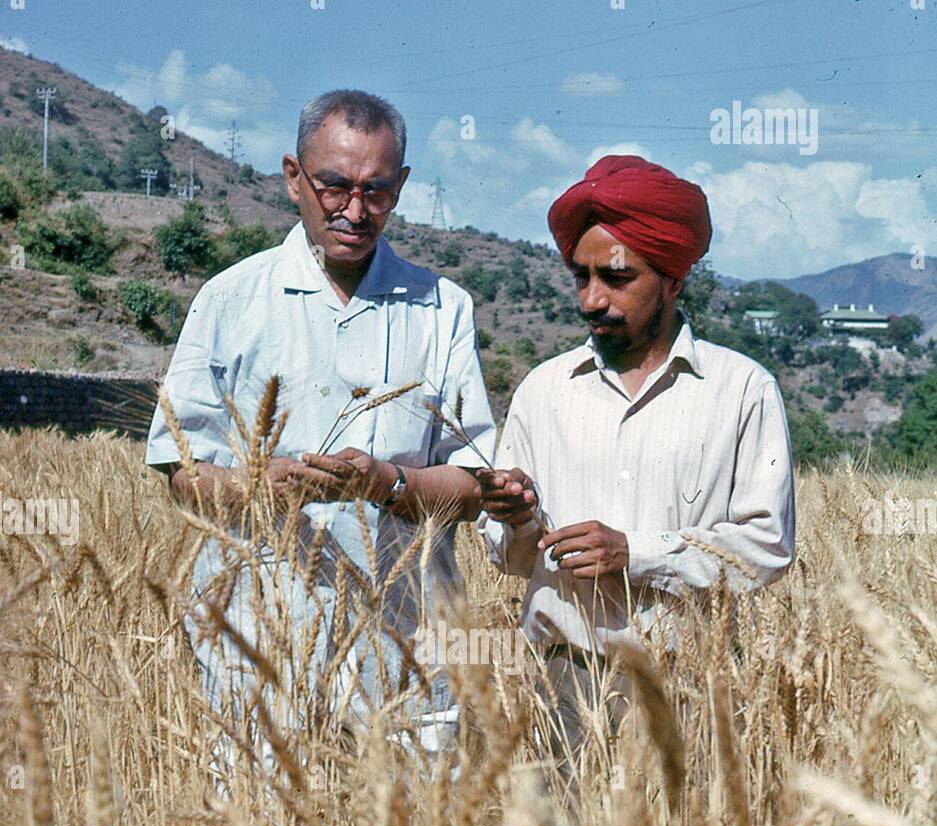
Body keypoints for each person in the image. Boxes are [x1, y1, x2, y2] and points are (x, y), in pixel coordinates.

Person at [146, 89, 498, 757]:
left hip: (408, 649)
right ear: (292, 177)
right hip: (257, 639)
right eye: (334, 186)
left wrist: (386, 484)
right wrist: (262, 484)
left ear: (402, 186)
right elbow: (179, 473)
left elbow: (475, 484)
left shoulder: (443, 308)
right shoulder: (228, 300)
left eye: (378, 192)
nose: (355, 211)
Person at [478, 154, 796, 771]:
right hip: (560, 686)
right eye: (581, 277)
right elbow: (513, 561)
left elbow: (768, 546)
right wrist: (517, 519)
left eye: (617, 278)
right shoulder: (543, 392)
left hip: (688, 687)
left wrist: (637, 555)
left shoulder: (742, 390)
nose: (592, 300)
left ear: (673, 280)